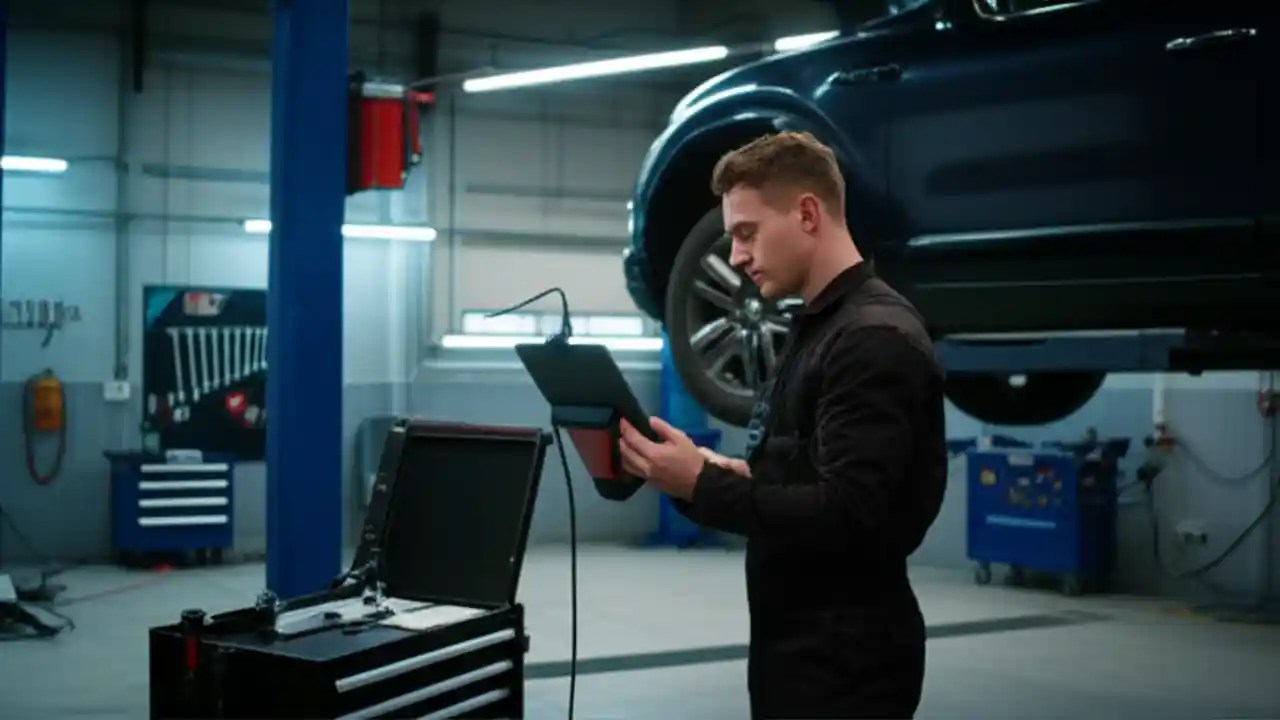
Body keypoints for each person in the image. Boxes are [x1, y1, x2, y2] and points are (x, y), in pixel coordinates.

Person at [618, 131, 948, 719]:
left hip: (846, 667)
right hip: (800, 650)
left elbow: (847, 513)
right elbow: (807, 476)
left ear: (808, 214)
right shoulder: (819, 328)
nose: (736, 256)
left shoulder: (873, 339)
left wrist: (701, 484)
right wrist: (717, 471)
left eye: (747, 233)